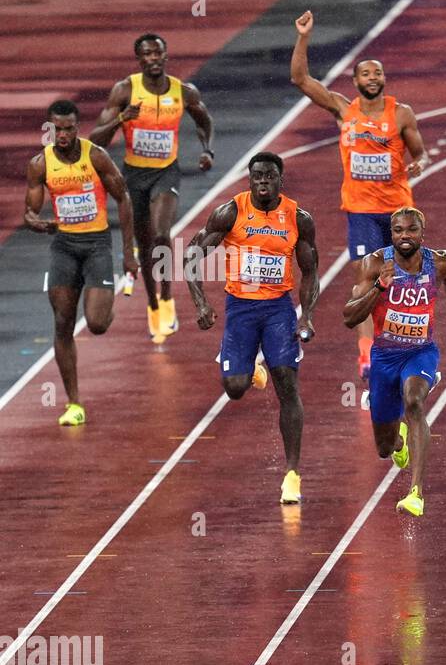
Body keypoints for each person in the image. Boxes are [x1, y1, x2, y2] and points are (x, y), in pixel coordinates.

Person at [291, 10, 430, 383]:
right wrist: (304, 37)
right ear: (354, 82)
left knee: (403, 282)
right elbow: (300, 79)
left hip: (400, 214)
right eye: (366, 73)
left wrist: (420, 163)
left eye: (378, 73)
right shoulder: (342, 110)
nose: (373, 78)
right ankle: (367, 356)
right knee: (365, 283)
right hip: (361, 212)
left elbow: (421, 152)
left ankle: (402, 344)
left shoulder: (401, 114)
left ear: (384, 79)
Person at [183, 152, 320, 502]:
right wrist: (200, 302)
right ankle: (251, 370)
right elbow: (191, 255)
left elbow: (311, 271)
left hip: (278, 309)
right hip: (241, 308)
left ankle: (292, 474)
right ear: (249, 179)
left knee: (287, 385)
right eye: (256, 176)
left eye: (269, 176)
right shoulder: (230, 213)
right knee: (235, 388)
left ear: (280, 180)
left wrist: (306, 315)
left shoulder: (298, 218)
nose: (262, 182)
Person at [343, 207, 446, 517]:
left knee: (414, 402)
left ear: (422, 232)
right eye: (398, 230)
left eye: (411, 230)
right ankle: (399, 443)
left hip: (421, 352)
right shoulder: (375, 264)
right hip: (385, 358)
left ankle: (416, 492)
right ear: (391, 234)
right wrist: (379, 288)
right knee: (383, 447)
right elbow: (350, 316)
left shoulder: (440, 262)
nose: (405, 235)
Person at [90, 33, 214, 343]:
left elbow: (204, 120)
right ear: (139, 59)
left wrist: (206, 149)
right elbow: (96, 141)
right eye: (146, 54)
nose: (153, 59)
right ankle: (153, 303)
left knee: (161, 234)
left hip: (166, 173)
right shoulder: (125, 90)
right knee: (144, 244)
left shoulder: (183, 91)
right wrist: (120, 118)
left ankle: (169, 296)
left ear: (165, 55)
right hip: (134, 175)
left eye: (157, 53)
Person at [24, 100, 138, 426]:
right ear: (50, 130)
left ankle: (104, 301)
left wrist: (128, 254)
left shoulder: (95, 156)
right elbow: (29, 211)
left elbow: (123, 197)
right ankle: (74, 403)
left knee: (98, 324)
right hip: (64, 247)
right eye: (57, 129)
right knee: (62, 322)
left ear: (77, 127)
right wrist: (38, 223)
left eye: (69, 128)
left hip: (97, 245)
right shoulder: (40, 164)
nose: (62, 135)